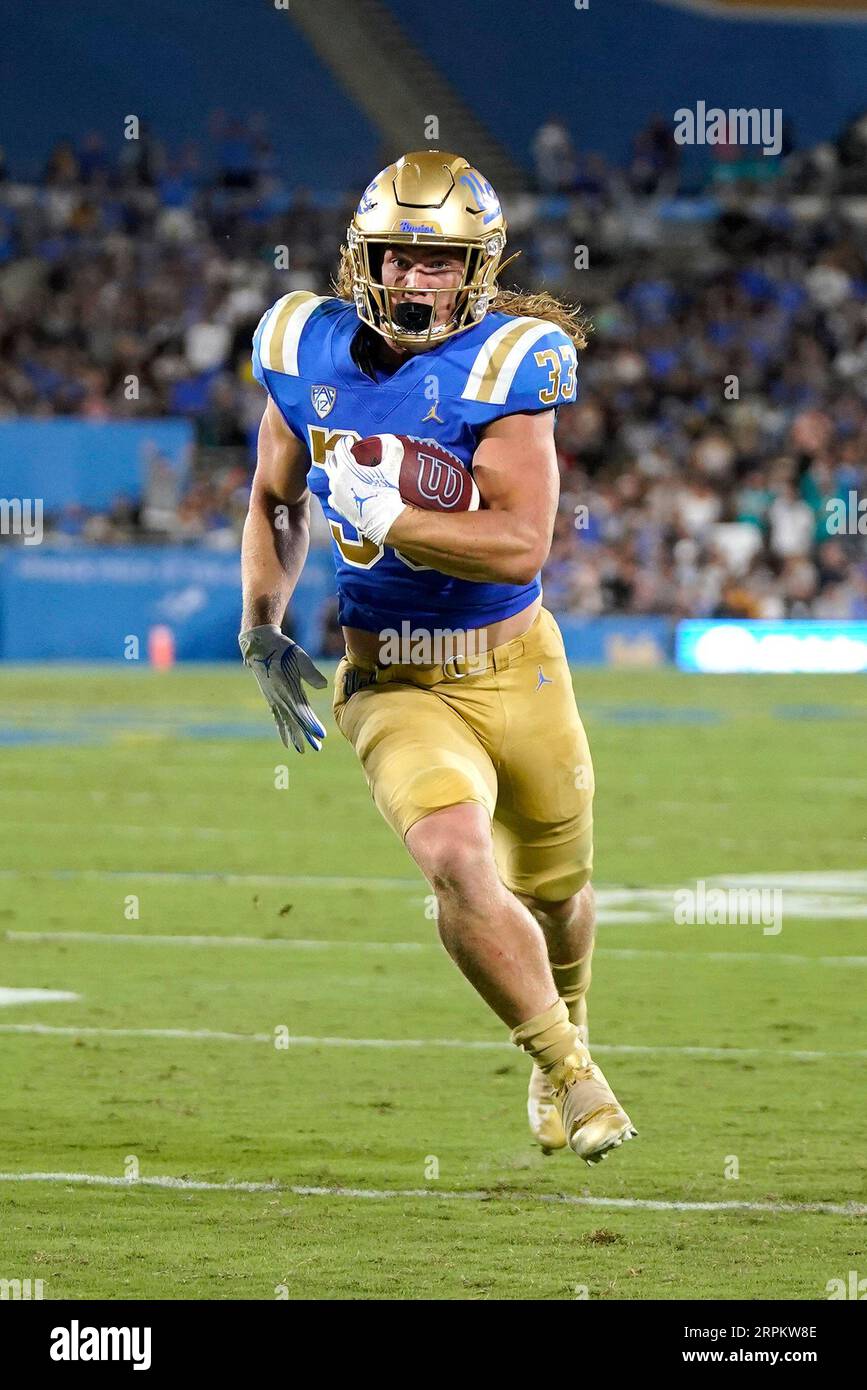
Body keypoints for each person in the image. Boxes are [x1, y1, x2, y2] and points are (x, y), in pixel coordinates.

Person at [238, 150, 636, 1164]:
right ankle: (569, 1069)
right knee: (455, 857)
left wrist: (401, 518)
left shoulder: (510, 363)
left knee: (557, 891)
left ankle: (570, 1020)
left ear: (477, 270)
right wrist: (262, 618)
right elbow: (276, 497)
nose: (419, 279)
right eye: (401, 257)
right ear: (361, 259)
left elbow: (520, 542)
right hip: (393, 675)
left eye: (441, 262)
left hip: (517, 665)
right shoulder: (299, 347)